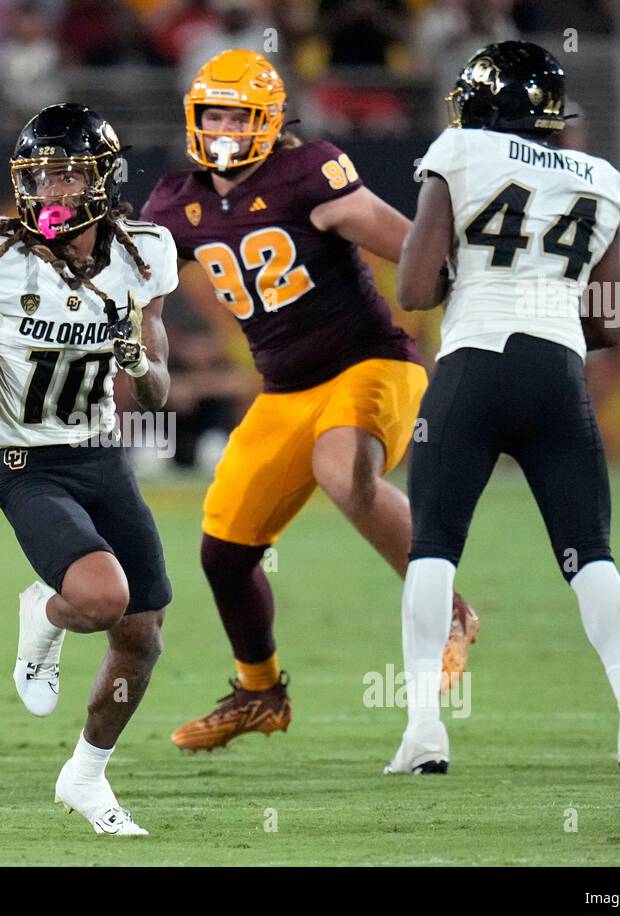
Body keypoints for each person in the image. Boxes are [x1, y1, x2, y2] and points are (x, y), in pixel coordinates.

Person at [142, 49, 479, 752]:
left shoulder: (309, 171)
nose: (226, 127)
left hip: (371, 363)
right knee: (224, 553)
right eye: (215, 114)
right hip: (285, 390)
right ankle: (260, 691)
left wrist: (473, 287)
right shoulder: (176, 201)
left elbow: (409, 248)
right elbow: (133, 280)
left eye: (239, 114)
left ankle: (451, 612)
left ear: (269, 120)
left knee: (339, 471)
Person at [390, 40, 620, 774]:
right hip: (559, 374)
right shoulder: (604, 179)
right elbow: (611, 323)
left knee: (433, 545)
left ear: (481, 108)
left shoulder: (461, 150)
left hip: (474, 364)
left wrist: (466, 272)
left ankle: (424, 731)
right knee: (590, 554)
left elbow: (411, 287)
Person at [0, 104, 179, 834]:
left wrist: (135, 361)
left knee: (142, 635)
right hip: (26, 461)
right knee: (101, 598)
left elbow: (158, 392)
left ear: (103, 180)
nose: (52, 190)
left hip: (102, 453)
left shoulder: (142, 253)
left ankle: (86, 778)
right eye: (41, 174)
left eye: (69, 173)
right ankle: (44, 612)